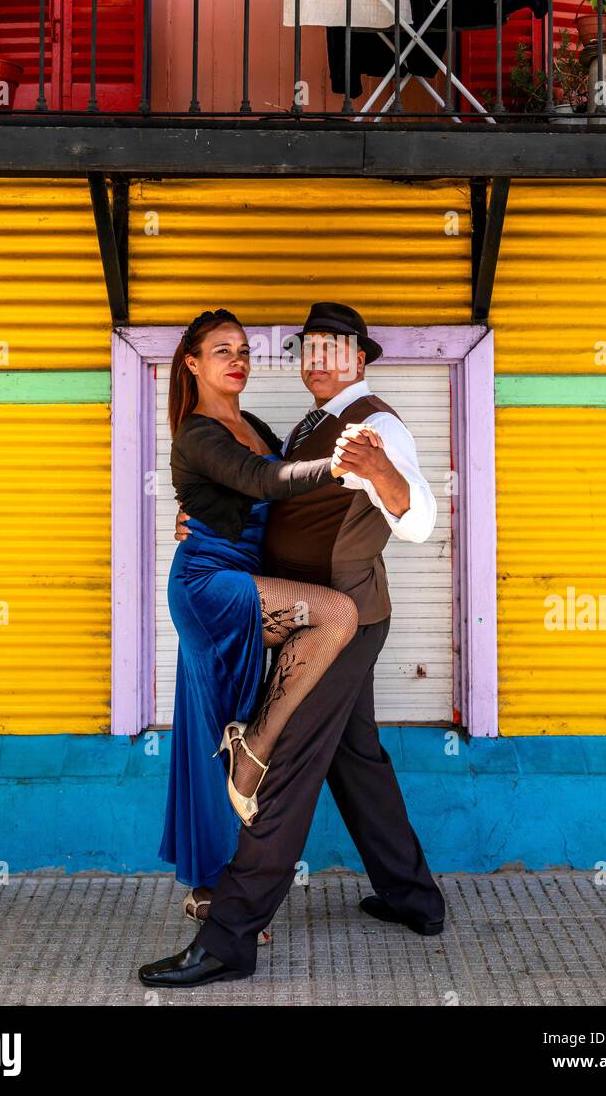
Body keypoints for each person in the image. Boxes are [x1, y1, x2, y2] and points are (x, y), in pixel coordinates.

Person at [140, 302, 446, 987]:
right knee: (354, 757)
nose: (320, 360)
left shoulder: (376, 423)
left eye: (335, 350)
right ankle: (413, 898)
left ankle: (231, 934)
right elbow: (254, 487)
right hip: (313, 615)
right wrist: (201, 518)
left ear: (360, 360)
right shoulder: (306, 425)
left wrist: (381, 474)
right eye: (310, 349)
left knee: (286, 767)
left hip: (342, 620)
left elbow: (419, 517)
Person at [157, 306, 380, 926]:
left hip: (244, 579)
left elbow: (264, 500)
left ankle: (225, 872)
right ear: (192, 363)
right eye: (222, 350)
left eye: (245, 351)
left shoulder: (250, 420)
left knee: (221, 716)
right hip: (210, 583)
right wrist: (338, 465)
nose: (238, 361)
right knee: (334, 616)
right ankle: (245, 775)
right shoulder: (198, 432)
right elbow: (262, 481)